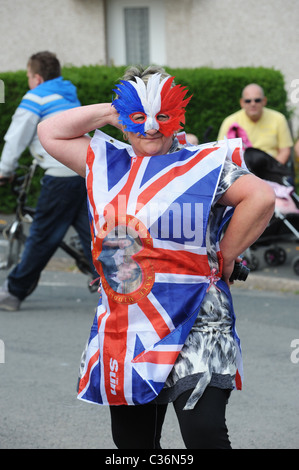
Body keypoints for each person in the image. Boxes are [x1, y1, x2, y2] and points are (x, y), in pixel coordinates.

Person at [38, 65, 275, 449]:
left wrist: (226, 256)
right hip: (129, 322)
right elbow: (49, 130)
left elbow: (260, 197)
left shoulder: (204, 165)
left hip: (198, 319)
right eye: (138, 116)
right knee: (133, 444)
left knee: (204, 435)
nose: (150, 128)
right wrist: (112, 112)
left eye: (161, 116)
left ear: (176, 115)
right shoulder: (105, 162)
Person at [0, 51, 97, 311]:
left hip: (61, 176)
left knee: (43, 236)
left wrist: (4, 170)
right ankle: (112, 283)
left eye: (29, 77)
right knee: (92, 234)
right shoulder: (68, 94)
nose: (29, 82)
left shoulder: (37, 96)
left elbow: (16, 137)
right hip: (84, 171)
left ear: (38, 78)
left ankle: (13, 291)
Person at [217, 83, 293, 167]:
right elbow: (221, 152)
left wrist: (273, 169)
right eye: (248, 101)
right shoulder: (229, 122)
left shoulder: (279, 118)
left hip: (271, 170)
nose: (253, 104)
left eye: (257, 100)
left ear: (264, 101)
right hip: (241, 171)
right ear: (242, 103)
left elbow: (285, 151)